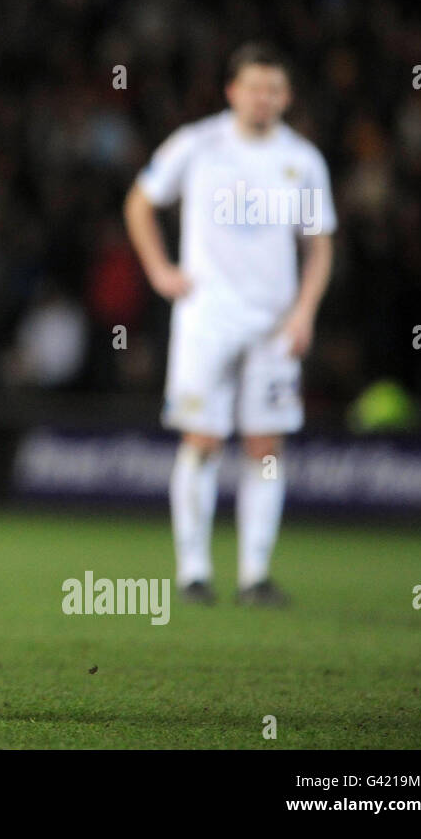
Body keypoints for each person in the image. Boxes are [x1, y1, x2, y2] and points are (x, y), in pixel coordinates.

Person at [123, 43, 335, 606]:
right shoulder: (198, 144)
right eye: (254, 87)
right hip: (207, 319)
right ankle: (193, 572)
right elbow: (139, 202)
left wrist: (305, 310)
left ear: (286, 97)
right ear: (232, 91)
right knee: (203, 440)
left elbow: (319, 246)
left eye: (274, 89)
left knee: (266, 446)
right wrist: (160, 270)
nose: (263, 98)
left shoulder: (302, 159)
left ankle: (254, 576)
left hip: (273, 323)